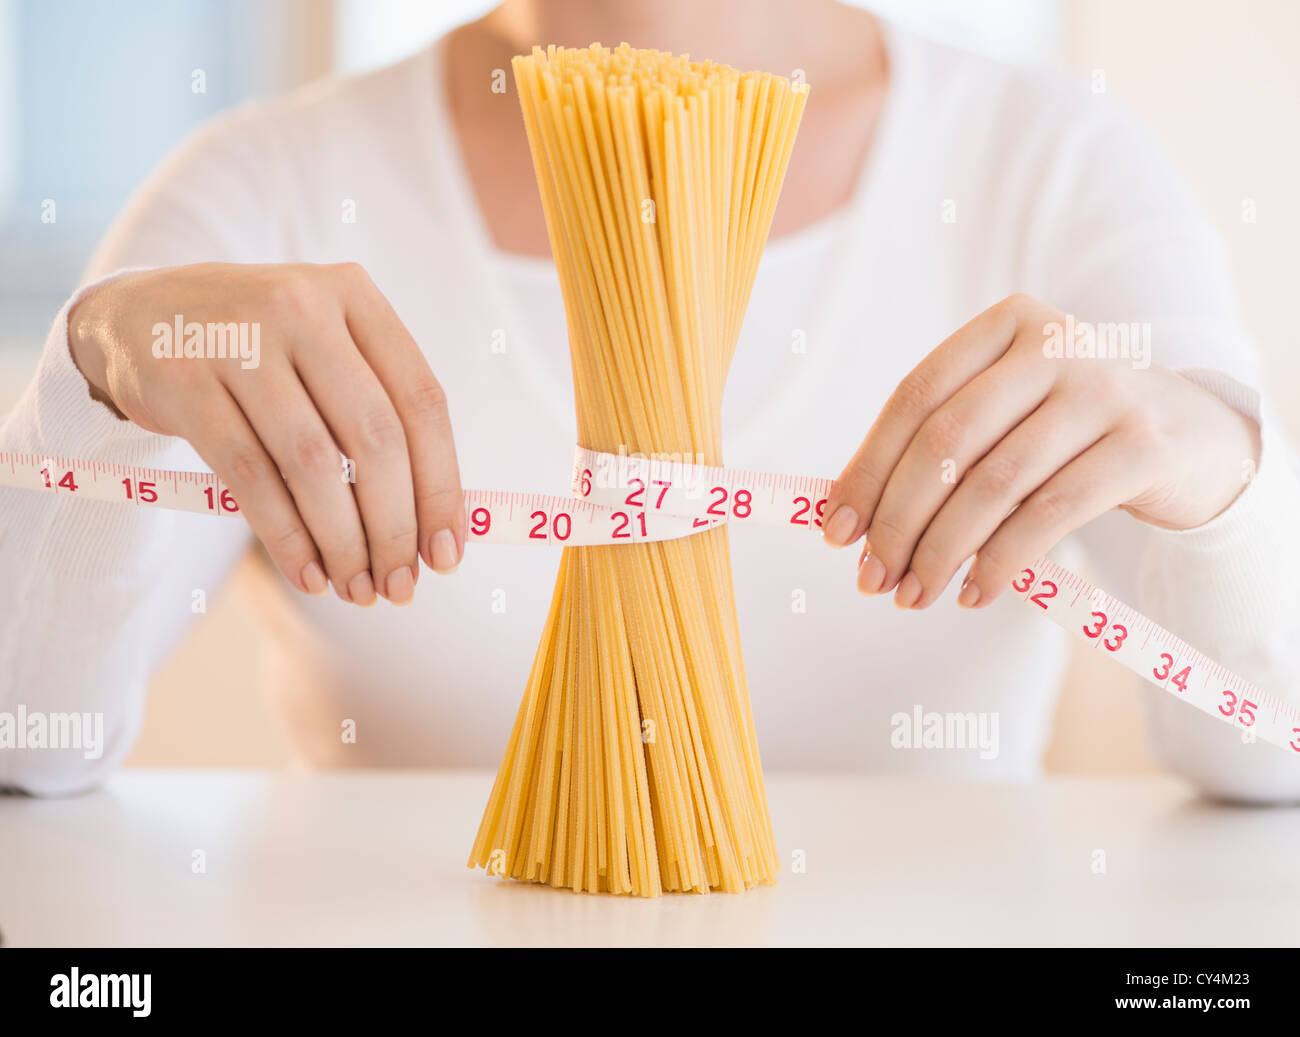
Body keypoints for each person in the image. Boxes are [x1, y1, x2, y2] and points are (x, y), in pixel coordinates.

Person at [3, 0, 1298, 799]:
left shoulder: (1055, 163)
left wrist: (1212, 469)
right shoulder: (262, 183)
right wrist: (93, 369)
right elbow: (23, 743)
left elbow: (1269, 753)